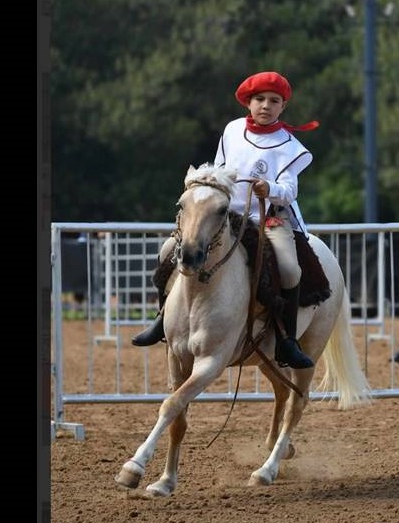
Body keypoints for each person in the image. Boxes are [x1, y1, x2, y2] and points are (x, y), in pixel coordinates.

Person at [132, 71, 319, 369]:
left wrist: (270, 189)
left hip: (269, 218)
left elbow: (290, 191)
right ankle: (161, 318)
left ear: (283, 106)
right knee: (168, 249)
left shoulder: (290, 146)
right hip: (225, 215)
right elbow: (219, 169)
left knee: (289, 269)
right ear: (248, 103)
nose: (266, 106)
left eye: (274, 101)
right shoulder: (232, 130)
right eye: (260, 99)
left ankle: (287, 340)